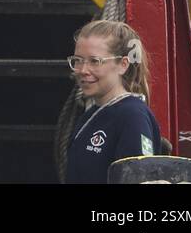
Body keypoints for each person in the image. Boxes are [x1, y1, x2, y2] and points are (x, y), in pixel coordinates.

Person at [64, 20, 162, 184]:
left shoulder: (132, 116)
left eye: (95, 61)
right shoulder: (92, 114)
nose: (83, 70)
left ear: (123, 64)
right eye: (78, 60)